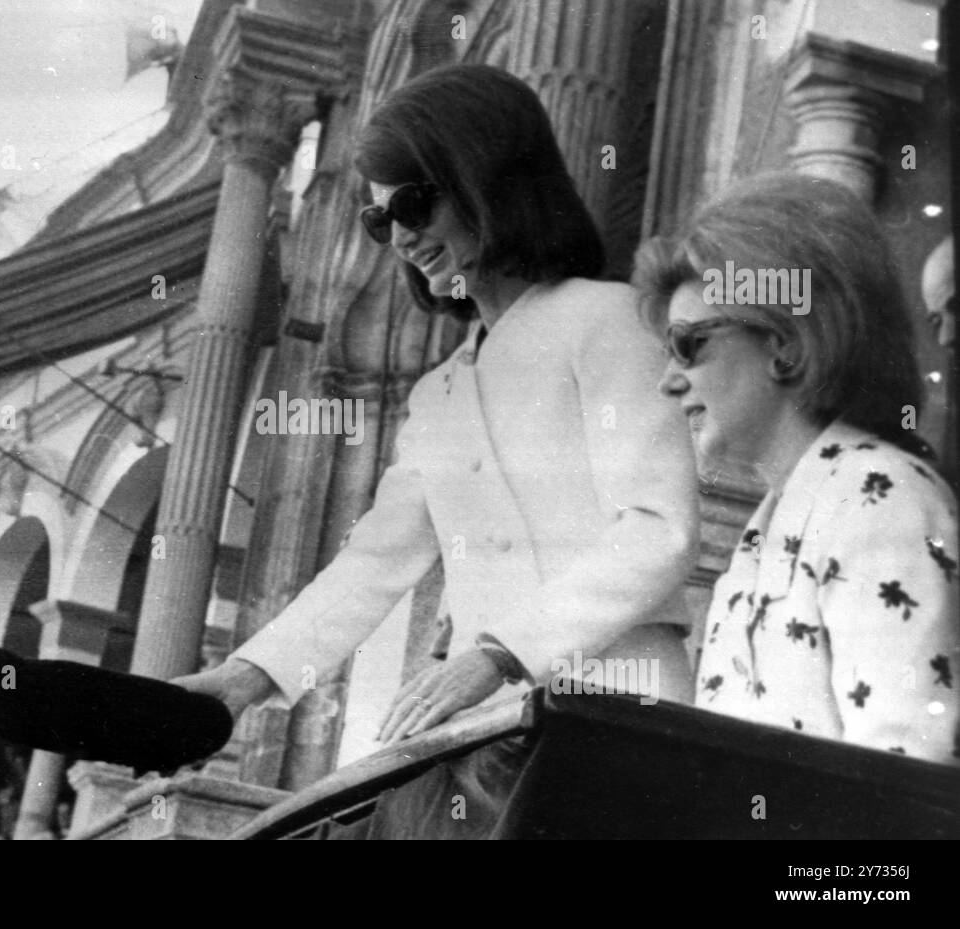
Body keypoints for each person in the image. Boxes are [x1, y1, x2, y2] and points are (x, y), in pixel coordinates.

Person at [174, 63, 701, 836]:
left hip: (617, 717)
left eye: (416, 203)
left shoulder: (610, 320)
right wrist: (243, 677)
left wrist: (496, 655)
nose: (403, 237)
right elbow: (373, 561)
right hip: (486, 734)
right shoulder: (440, 391)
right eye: (379, 221)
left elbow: (661, 527)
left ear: (488, 181)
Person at [633, 171, 960, 764]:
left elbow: (908, 781)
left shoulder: (880, 500)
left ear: (787, 342)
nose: (668, 380)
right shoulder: (780, 515)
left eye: (689, 344)